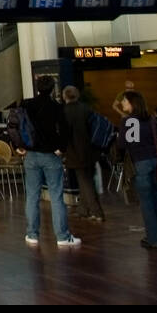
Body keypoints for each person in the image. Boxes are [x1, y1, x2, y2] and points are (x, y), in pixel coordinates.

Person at [12, 75, 80, 248]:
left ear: (37, 87)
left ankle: (32, 234)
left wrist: (20, 145)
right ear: (53, 88)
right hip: (50, 155)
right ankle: (62, 237)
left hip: (31, 155)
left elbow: (16, 124)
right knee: (56, 196)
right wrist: (60, 148)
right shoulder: (57, 107)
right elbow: (65, 131)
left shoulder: (27, 104)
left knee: (32, 196)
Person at [117, 90, 157, 249]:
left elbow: (123, 145)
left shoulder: (128, 121)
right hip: (155, 162)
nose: (122, 103)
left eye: (124, 101)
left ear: (132, 103)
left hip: (140, 163)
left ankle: (154, 239)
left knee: (146, 203)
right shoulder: (151, 119)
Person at [61, 86, 104, 222]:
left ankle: (97, 212)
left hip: (74, 151)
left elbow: (64, 133)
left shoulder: (64, 112)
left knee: (85, 182)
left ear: (64, 96)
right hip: (90, 149)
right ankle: (83, 209)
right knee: (86, 179)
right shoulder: (86, 109)